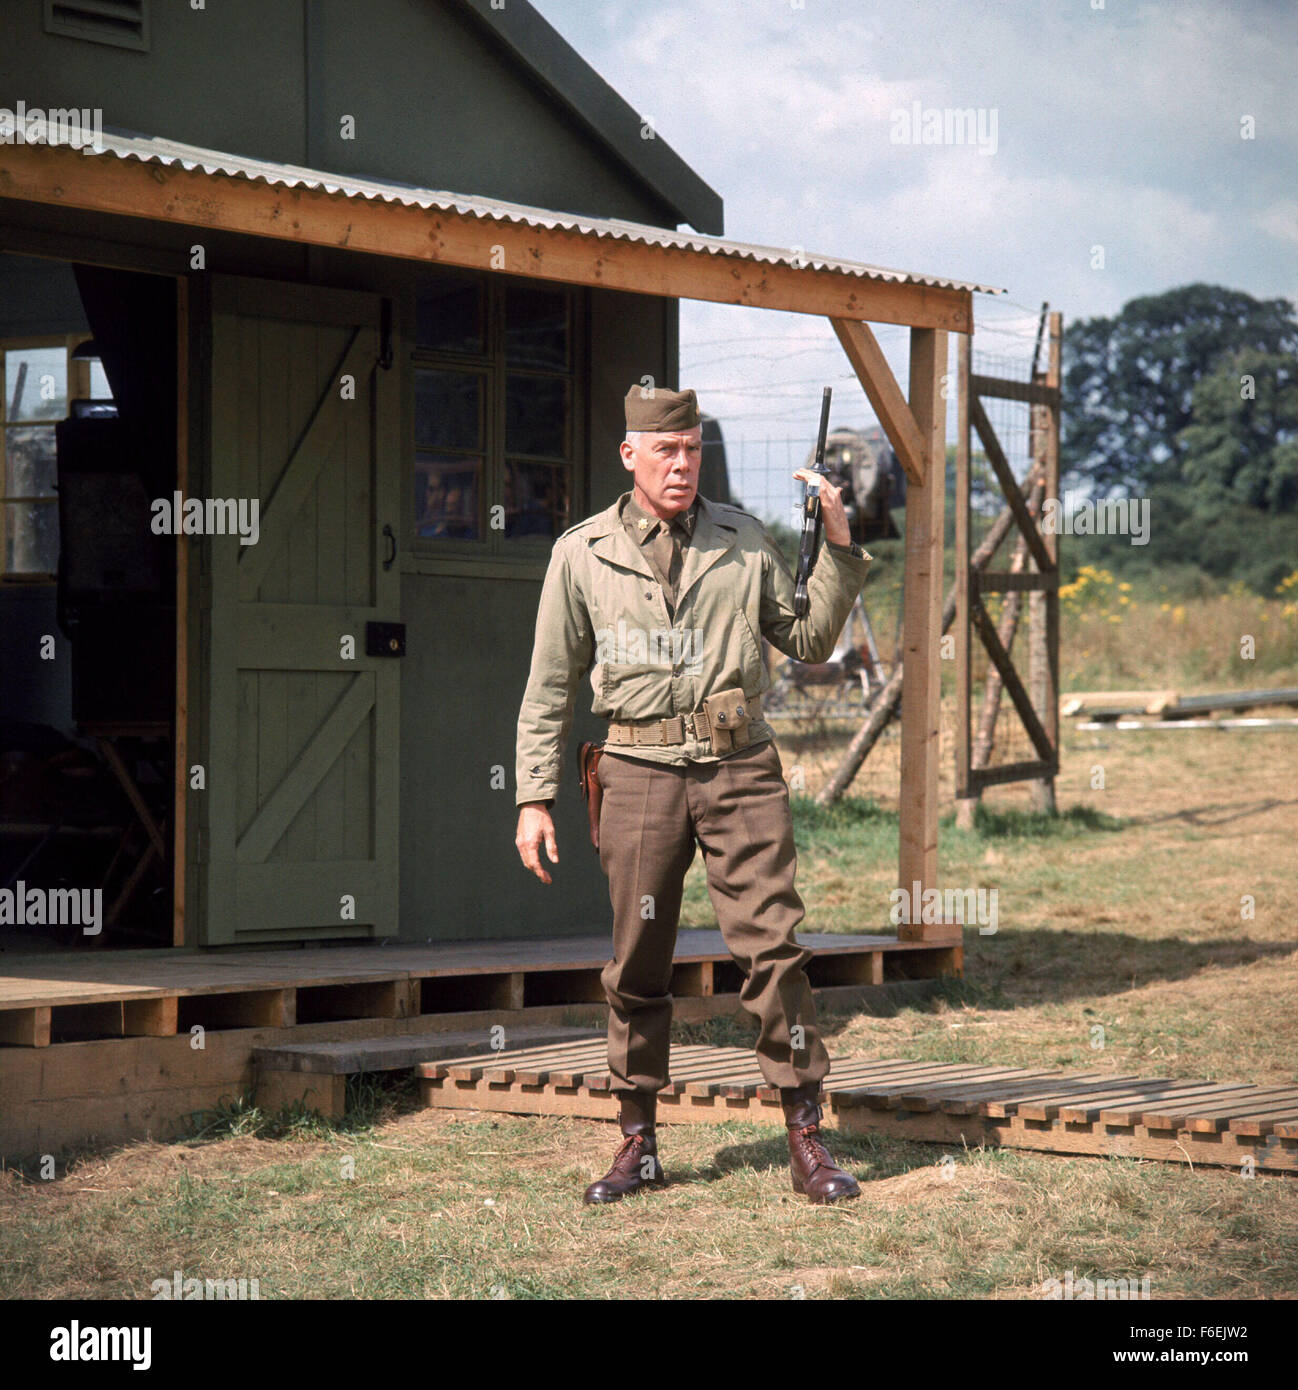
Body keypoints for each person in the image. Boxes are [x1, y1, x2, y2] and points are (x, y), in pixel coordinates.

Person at [514, 383, 871, 1206]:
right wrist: (534, 795)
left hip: (738, 768)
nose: (681, 465)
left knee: (773, 952)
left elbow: (811, 639)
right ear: (630, 454)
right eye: (666, 451)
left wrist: (840, 548)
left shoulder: (743, 541)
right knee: (637, 964)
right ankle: (636, 1144)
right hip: (636, 774)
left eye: (693, 450)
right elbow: (549, 685)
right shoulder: (581, 551)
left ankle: (806, 1138)